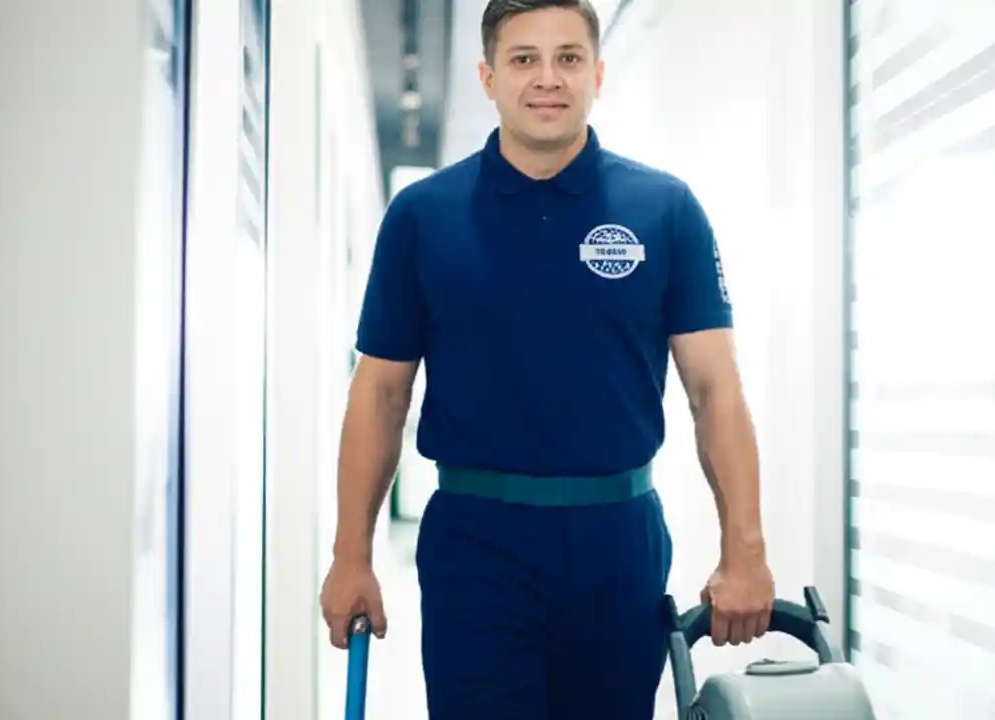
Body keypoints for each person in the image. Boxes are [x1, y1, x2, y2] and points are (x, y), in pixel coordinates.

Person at [319, 0, 774, 717]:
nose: (547, 78)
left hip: (617, 543)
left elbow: (715, 390)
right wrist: (352, 555)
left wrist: (744, 550)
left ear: (597, 73)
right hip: (475, 542)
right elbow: (378, 393)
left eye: (567, 58)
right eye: (524, 59)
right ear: (487, 76)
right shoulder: (423, 217)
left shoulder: (665, 209)